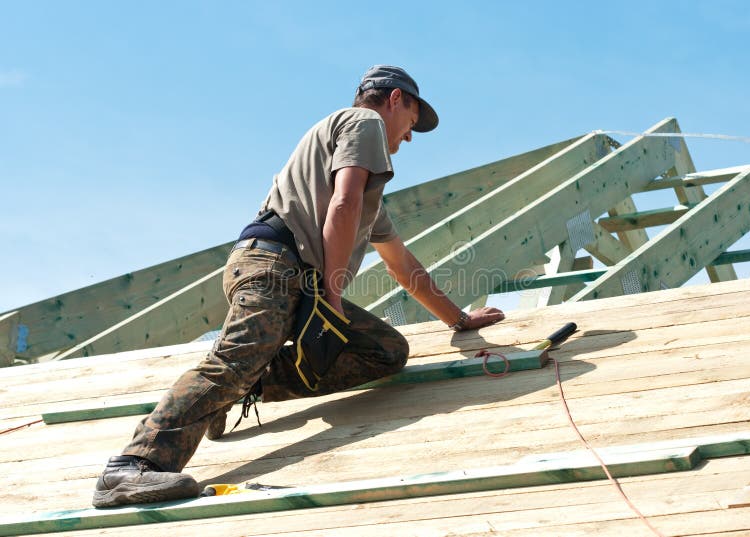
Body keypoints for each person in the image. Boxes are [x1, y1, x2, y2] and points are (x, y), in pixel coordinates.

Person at [92, 65, 505, 508]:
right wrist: (331, 295)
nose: (409, 137)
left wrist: (458, 319)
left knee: (385, 350)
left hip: (298, 279)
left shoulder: (369, 196)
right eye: (412, 122)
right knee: (237, 358)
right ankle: (133, 468)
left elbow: (402, 264)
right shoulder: (364, 122)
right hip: (272, 265)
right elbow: (342, 204)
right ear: (394, 100)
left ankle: (249, 386)